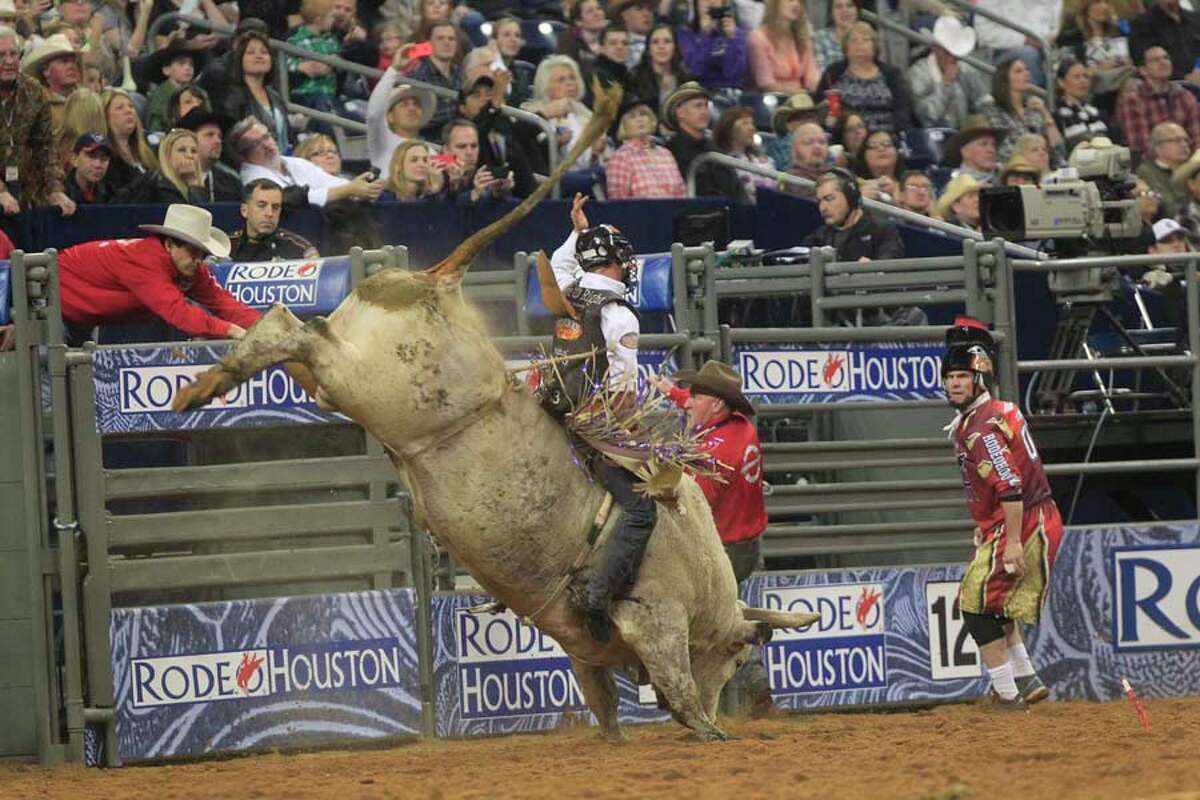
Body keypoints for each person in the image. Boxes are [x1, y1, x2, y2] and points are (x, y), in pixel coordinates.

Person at [542, 193, 652, 645]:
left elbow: (561, 263)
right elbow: (623, 389)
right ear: (615, 265)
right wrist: (628, 439)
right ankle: (597, 592)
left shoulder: (569, 294)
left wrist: (578, 231)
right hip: (593, 425)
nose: (629, 268)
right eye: (624, 262)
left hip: (554, 412)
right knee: (643, 509)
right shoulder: (620, 315)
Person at [941, 316, 1061, 711]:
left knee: (974, 606)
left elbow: (1008, 484)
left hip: (1024, 523)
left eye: (961, 375)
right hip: (1026, 518)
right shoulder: (998, 411)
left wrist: (1010, 541)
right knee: (994, 605)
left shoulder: (980, 428)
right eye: (949, 376)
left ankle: (1008, 697)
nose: (954, 383)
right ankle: (1026, 681)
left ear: (978, 378)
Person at [649, 360, 771, 715]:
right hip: (743, 542)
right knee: (727, 613)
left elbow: (690, 506)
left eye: (696, 396)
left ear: (716, 404)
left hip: (723, 549)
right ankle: (752, 683)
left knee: (715, 619)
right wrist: (671, 392)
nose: (688, 402)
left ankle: (741, 678)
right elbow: (693, 401)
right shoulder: (738, 427)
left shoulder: (713, 452)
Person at [57, 204, 259, 345]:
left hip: (79, 317)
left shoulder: (188, 265)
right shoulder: (146, 261)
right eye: (193, 251)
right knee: (49, 397)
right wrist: (231, 330)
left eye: (203, 253)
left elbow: (222, 301)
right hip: (48, 306)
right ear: (170, 245)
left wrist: (264, 326)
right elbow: (178, 312)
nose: (199, 260)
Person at [804, 167, 924, 325]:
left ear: (851, 196)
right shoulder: (818, 238)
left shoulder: (881, 229)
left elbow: (889, 259)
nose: (823, 208)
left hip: (879, 316)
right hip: (832, 319)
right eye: (820, 201)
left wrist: (874, 268)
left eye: (829, 198)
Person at [230, 117, 384, 208]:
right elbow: (292, 199)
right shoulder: (252, 177)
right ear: (245, 154)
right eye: (257, 143)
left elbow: (330, 182)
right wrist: (350, 189)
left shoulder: (294, 163)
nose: (267, 144)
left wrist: (362, 187)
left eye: (266, 137)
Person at [815, 20, 913, 132]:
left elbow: (902, 110)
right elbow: (820, 103)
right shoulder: (833, 72)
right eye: (854, 40)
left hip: (886, 135)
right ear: (846, 47)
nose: (860, 44)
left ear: (874, 46)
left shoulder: (891, 73)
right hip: (846, 133)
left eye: (865, 40)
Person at [663, 81, 747, 201]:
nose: (704, 111)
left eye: (706, 106)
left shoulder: (715, 149)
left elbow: (736, 189)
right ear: (680, 113)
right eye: (698, 106)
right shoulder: (670, 152)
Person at [1114, 45, 1200, 160]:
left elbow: (1196, 140)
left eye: (1166, 58)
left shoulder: (1186, 96)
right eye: (1155, 60)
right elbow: (1140, 147)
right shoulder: (1133, 100)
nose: (1163, 62)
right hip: (1151, 168)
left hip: (1187, 165)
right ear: (1143, 70)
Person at [910, 15, 994, 130]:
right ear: (935, 48)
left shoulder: (966, 70)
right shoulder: (918, 72)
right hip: (932, 136)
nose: (952, 59)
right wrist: (946, 84)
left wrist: (983, 119)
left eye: (955, 55)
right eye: (948, 53)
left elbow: (984, 102)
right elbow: (926, 115)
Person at [983, 56, 1065, 166]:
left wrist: (1045, 114)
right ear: (1004, 79)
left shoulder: (1034, 110)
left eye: (1026, 70)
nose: (1027, 74)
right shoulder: (993, 111)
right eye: (1018, 71)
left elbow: (1059, 152)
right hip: (1015, 171)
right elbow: (1004, 153)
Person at [604, 98, 686, 199]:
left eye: (643, 114)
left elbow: (681, 193)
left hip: (675, 212)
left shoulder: (666, 154)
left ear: (651, 120)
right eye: (632, 117)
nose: (640, 119)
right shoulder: (621, 157)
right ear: (623, 126)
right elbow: (617, 203)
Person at [222, 30, 291, 148]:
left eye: (264, 52)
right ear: (240, 59)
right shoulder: (233, 97)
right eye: (250, 52)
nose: (259, 56)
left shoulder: (276, 98)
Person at [227, 179, 320, 261]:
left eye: (275, 207)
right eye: (261, 205)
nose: (269, 213)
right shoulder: (225, 246)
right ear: (244, 210)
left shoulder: (300, 249)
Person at [287, 0, 342, 134]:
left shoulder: (332, 40)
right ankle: (327, 138)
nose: (334, 20)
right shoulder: (296, 40)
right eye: (331, 17)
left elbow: (341, 60)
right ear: (319, 19)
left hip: (330, 95)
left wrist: (334, 63)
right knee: (321, 103)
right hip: (305, 95)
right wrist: (300, 67)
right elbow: (284, 62)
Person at [367, 71, 437, 174]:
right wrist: (394, 69)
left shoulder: (431, 151)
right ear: (390, 116)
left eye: (416, 104)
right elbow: (373, 115)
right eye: (404, 105)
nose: (412, 108)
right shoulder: (383, 142)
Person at [746, 0, 820, 94]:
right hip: (772, 102)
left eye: (800, 1)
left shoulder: (803, 37)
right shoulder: (757, 38)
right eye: (791, 0)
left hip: (802, 101)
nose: (796, 4)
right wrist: (801, 93)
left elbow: (812, 77)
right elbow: (766, 84)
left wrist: (820, 90)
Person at [116, 127, 206, 203]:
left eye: (194, 151)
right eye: (181, 150)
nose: (189, 156)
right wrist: (193, 183)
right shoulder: (160, 186)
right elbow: (193, 218)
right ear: (167, 156)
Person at [407, 19, 466, 134]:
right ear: (429, 43)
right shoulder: (417, 76)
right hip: (431, 141)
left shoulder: (461, 73)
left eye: (451, 39)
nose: (447, 42)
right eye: (440, 38)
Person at [677, 0, 749, 91]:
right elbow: (696, 70)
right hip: (700, 92)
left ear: (723, 3)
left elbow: (734, 73)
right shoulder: (686, 33)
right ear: (696, 3)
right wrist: (705, 35)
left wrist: (732, 39)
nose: (711, 2)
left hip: (731, 92)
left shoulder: (737, 32)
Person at [177, 106, 242, 202]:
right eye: (209, 135)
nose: (218, 141)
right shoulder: (168, 180)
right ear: (188, 139)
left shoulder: (231, 183)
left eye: (220, 136)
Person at [101, 86, 156, 197]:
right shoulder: (106, 156)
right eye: (120, 108)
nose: (128, 111)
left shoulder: (147, 150)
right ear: (105, 116)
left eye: (131, 106)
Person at [21, 32, 81, 130]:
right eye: (64, 61)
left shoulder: (86, 99)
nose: (71, 66)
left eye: (73, 61)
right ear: (46, 71)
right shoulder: (37, 104)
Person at [1129, 0, 1200, 82]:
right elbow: (1144, 63)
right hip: (1170, 86)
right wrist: (1186, 78)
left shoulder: (1196, 19)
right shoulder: (1141, 24)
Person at [627, 22, 695, 108]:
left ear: (675, 47)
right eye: (655, 42)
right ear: (648, 49)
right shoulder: (635, 78)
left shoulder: (686, 78)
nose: (661, 47)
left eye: (667, 41)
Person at [714, 105, 775, 201]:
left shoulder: (764, 160)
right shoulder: (720, 162)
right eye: (745, 123)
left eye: (752, 123)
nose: (751, 128)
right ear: (729, 128)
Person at [1054, 56, 1112, 154]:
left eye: (1085, 76)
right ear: (1061, 82)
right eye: (1077, 77)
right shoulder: (1057, 116)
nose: (1083, 81)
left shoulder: (1098, 112)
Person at [1134, 121, 1190, 217]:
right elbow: (1167, 208)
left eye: (1185, 140)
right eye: (1177, 140)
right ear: (1158, 146)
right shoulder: (1147, 172)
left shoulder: (1191, 168)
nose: (1184, 144)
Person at [143, 39, 196, 132]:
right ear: (166, 70)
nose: (188, 68)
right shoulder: (159, 96)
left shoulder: (199, 93)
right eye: (181, 63)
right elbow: (155, 131)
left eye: (191, 64)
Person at [765, 90, 821, 169]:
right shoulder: (779, 145)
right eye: (802, 118)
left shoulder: (822, 141)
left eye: (812, 117)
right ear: (789, 125)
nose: (809, 123)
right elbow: (787, 169)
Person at [944, 114, 1003, 185]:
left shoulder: (1005, 177)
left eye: (994, 145)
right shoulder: (955, 184)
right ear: (965, 152)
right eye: (983, 144)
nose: (991, 150)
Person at [851, 127, 904, 204]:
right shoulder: (854, 185)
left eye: (887, 144)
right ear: (863, 155)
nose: (881, 149)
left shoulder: (909, 183)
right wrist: (860, 199)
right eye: (873, 146)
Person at [64, 132, 116, 204]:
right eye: (91, 157)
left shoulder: (112, 194)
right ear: (74, 159)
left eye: (104, 158)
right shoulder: (61, 193)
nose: (98, 165)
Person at [812, 0, 857, 73]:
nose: (845, 10)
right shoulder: (820, 38)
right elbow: (822, 75)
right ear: (831, 12)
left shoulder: (865, 38)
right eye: (839, 6)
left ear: (857, 11)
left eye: (849, 5)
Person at [785, 120, 830, 192]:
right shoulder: (791, 180)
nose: (817, 146)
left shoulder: (835, 175)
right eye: (808, 142)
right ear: (794, 149)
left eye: (822, 142)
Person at [610, 0, 654, 68]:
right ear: (625, 15)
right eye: (639, 9)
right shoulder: (615, 45)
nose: (646, 14)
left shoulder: (662, 43)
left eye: (650, 9)